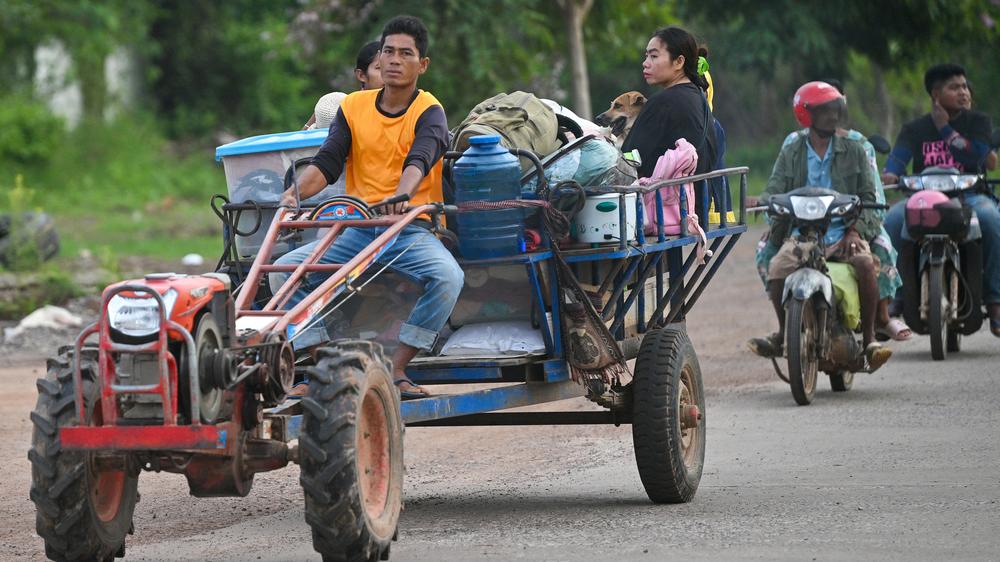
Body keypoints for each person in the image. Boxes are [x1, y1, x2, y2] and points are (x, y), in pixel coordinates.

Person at [271, 15, 463, 398]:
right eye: (388, 51)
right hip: (358, 229)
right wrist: (294, 195)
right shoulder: (354, 107)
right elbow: (327, 162)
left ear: (421, 65)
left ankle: (398, 368)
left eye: (405, 53)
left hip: (410, 228)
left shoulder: (430, 111)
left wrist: (403, 195)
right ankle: (326, 364)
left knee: (448, 277)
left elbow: (421, 158)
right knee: (282, 272)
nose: (394, 60)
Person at [749, 81, 891, 371]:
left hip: (844, 231)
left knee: (865, 264)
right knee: (777, 268)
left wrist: (855, 231)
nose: (833, 116)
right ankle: (782, 332)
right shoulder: (793, 148)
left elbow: (868, 197)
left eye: (835, 109)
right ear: (806, 114)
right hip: (803, 233)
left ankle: (869, 340)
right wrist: (760, 200)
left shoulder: (855, 148)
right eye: (825, 111)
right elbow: (775, 187)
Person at [880, 63, 999, 336]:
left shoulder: (978, 122)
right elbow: (896, 162)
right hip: (923, 199)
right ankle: (896, 297)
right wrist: (890, 175)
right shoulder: (914, 129)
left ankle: (995, 301)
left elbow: (978, 157)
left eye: (965, 86)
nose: (964, 92)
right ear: (936, 94)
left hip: (969, 197)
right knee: (892, 222)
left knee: (992, 219)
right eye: (954, 87)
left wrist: (945, 128)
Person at [622, 26, 717, 178]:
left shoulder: (663, 102)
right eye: (646, 56)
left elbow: (628, 160)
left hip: (666, 200)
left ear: (679, 62)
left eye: (653, 56)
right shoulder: (700, 98)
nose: (645, 63)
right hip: (699, 198)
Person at [302, 41, 385, 129]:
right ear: (361, 75)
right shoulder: (336, 106)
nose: (388, 73)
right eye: (379, 68)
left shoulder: (398, 109)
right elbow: (301, 139)